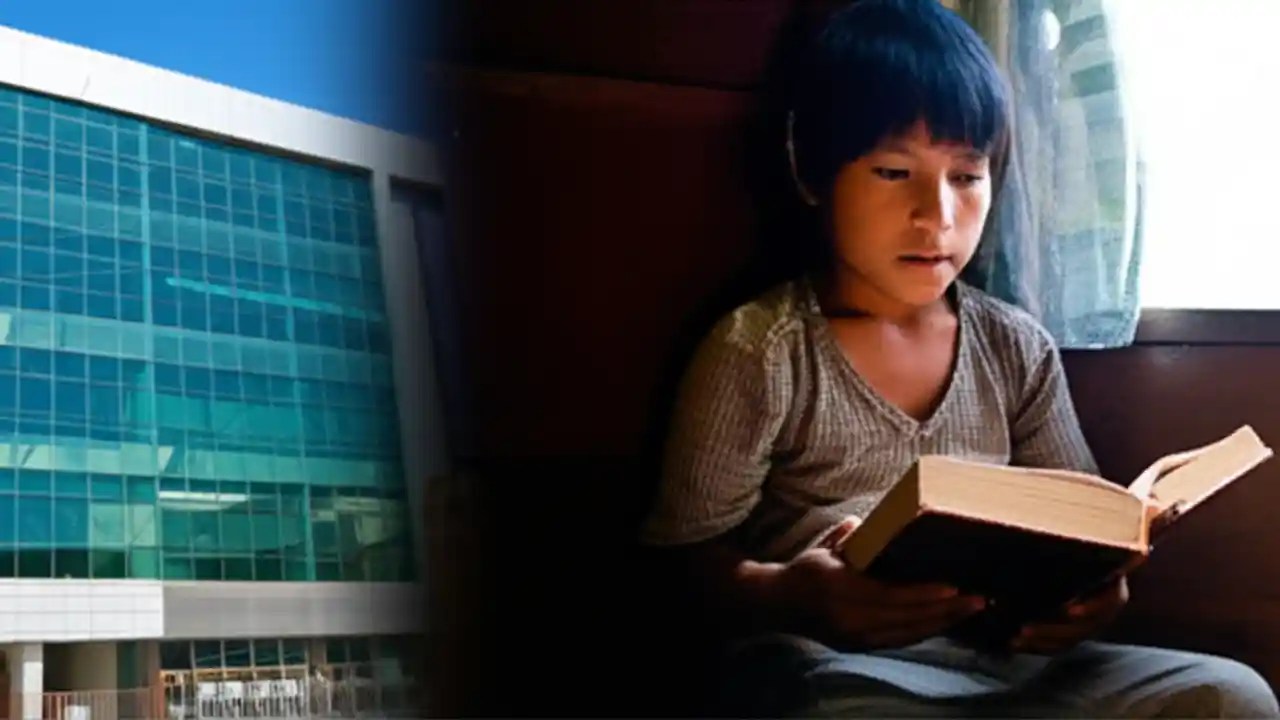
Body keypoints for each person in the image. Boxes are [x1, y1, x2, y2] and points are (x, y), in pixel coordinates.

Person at [638, 0, 1280, 716]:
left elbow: (1082, 519)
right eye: (891, 172)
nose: (936, 215)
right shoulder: (761, 351)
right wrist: (793, 594)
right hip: (838, 667)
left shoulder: (1014, 347)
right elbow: (681, 570)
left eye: (967, 176)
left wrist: (1098, 595)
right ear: (812, 170)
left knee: (1233, 696)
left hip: (1014, 669)